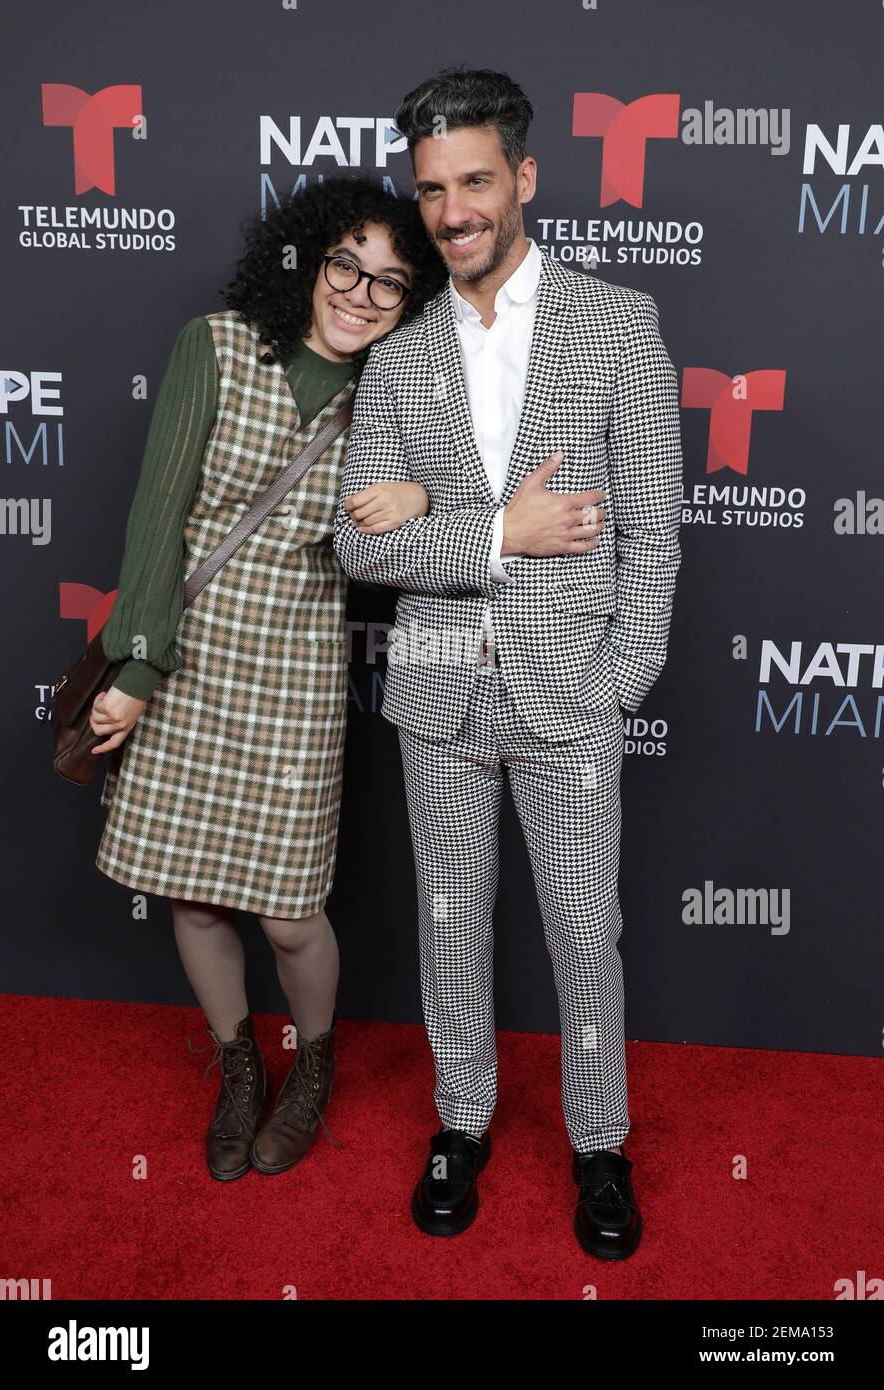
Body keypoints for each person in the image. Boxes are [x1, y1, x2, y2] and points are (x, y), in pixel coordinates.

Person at [335, 68, 682, 1258]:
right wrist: (495, 532)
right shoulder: (400, 347)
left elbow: (653, 528)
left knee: (585, 931)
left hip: (569, 692)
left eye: (474, 181)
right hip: (435, 694)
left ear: (523, 179)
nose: (451, 211)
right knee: (450, 923)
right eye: (431, 190)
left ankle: (599, 1143)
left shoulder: (615, 323)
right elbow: (350, 538)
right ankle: (461, 1121)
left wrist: (620, 675)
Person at [91, 176, 447, 1182]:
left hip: (296, 672)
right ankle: (238, 1065)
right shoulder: (214, 344)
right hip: (188, 659)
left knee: (289, 910)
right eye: (347, 263)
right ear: (306, 258)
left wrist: (426, 489)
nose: (361, 294)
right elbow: (159, 518)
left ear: (411, 301)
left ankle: (313, 1063)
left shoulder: (397, 397)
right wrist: (140, 665)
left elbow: (470, 502)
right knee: (195, 896)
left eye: (391, 281)